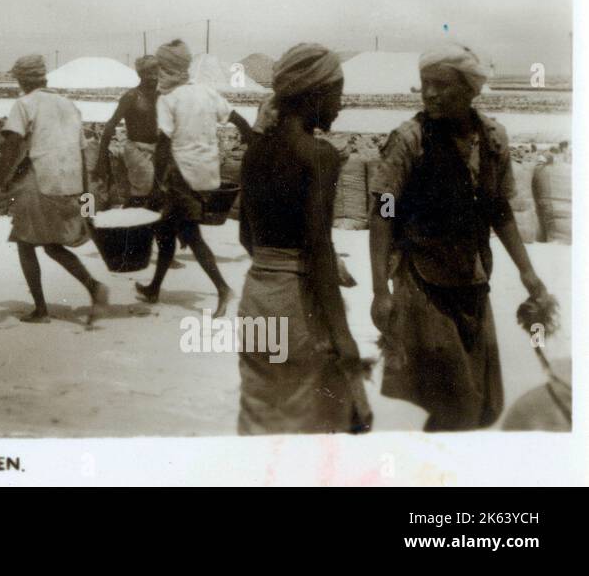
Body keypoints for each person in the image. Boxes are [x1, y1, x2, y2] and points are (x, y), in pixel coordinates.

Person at [370, 43, 554, 431]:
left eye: (442, 85)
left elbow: (499, 211)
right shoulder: (410, 139)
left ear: (470, 90)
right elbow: (384, 210)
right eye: (425, 84)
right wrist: (380, 290)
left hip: (472, 280)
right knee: (451, 399)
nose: (431, 93)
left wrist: (528, 273)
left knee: (477, 403)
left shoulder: (492, 139)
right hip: (422, 282)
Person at [236, 44, 372, 435]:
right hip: (297, 306)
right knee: (311, 427)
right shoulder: (320, 156)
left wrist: (278, 258)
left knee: (261, 417)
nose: (340, 106)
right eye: (337, 94)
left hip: (257, 298)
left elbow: (247, 236)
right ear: (314, 94)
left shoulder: (255, 151)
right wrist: (343, 335)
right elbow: (317, 247)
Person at [136, 39, 254, 317]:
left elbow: (164, 144)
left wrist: (156, 183)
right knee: (166, 232)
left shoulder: (168, 99)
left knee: (190, 234)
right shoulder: (206, 92)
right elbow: (240, 121)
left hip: (181, 177)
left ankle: (223, 289)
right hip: (207, 176)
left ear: (166, 69)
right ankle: (154, 287)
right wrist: (251, 148)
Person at [0, 54, 109, 324]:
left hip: (42, 183)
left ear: (21, 79)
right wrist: (87, 204)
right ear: (43, 77)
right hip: (70, 185)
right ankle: (94, 289)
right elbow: (82, 155)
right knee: (51, 245)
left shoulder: (24, 104)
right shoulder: (69, 104)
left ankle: (43, 309)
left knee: (25, 243)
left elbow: (11, 145)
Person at [97, 54, 162, 206]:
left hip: (158, 148)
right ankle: (130, 223)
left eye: (156, 73)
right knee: (142, 189)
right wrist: (102, 157)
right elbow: (111, 124)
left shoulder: (161, 96)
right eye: (149, 73)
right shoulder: (131, 96)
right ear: (140, 74)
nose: (153, 77)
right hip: (136, 148)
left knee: (160, 191)